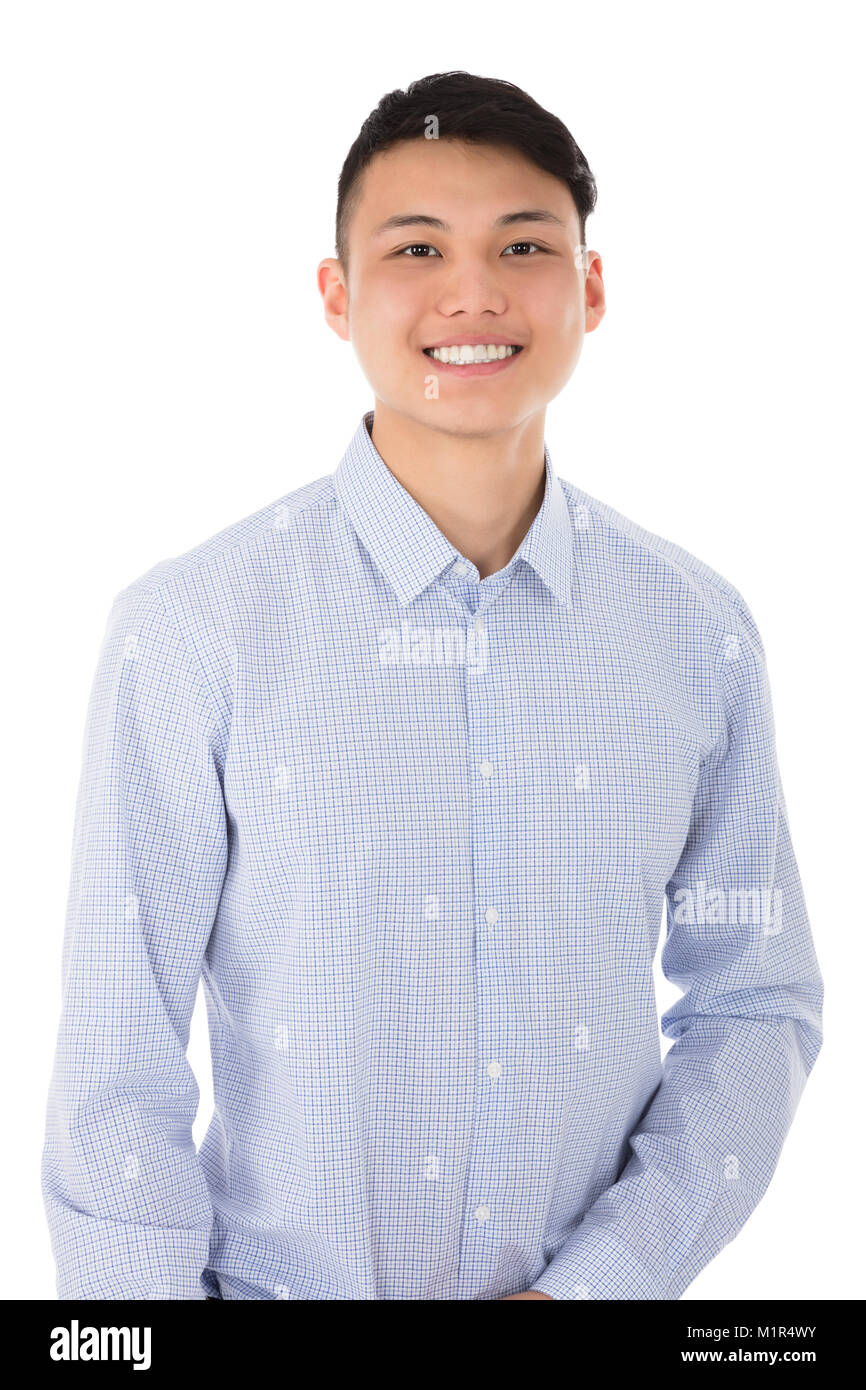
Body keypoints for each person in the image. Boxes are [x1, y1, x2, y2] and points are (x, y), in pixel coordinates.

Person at [41, 70, 824, 1302]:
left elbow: (755, 999)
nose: (473, 292)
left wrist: (596, 1287)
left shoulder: (696, 634)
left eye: (524, 244)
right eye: (417, 247)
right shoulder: (190, 631)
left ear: (591, 287)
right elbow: (116, 1058)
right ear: (336, 295)